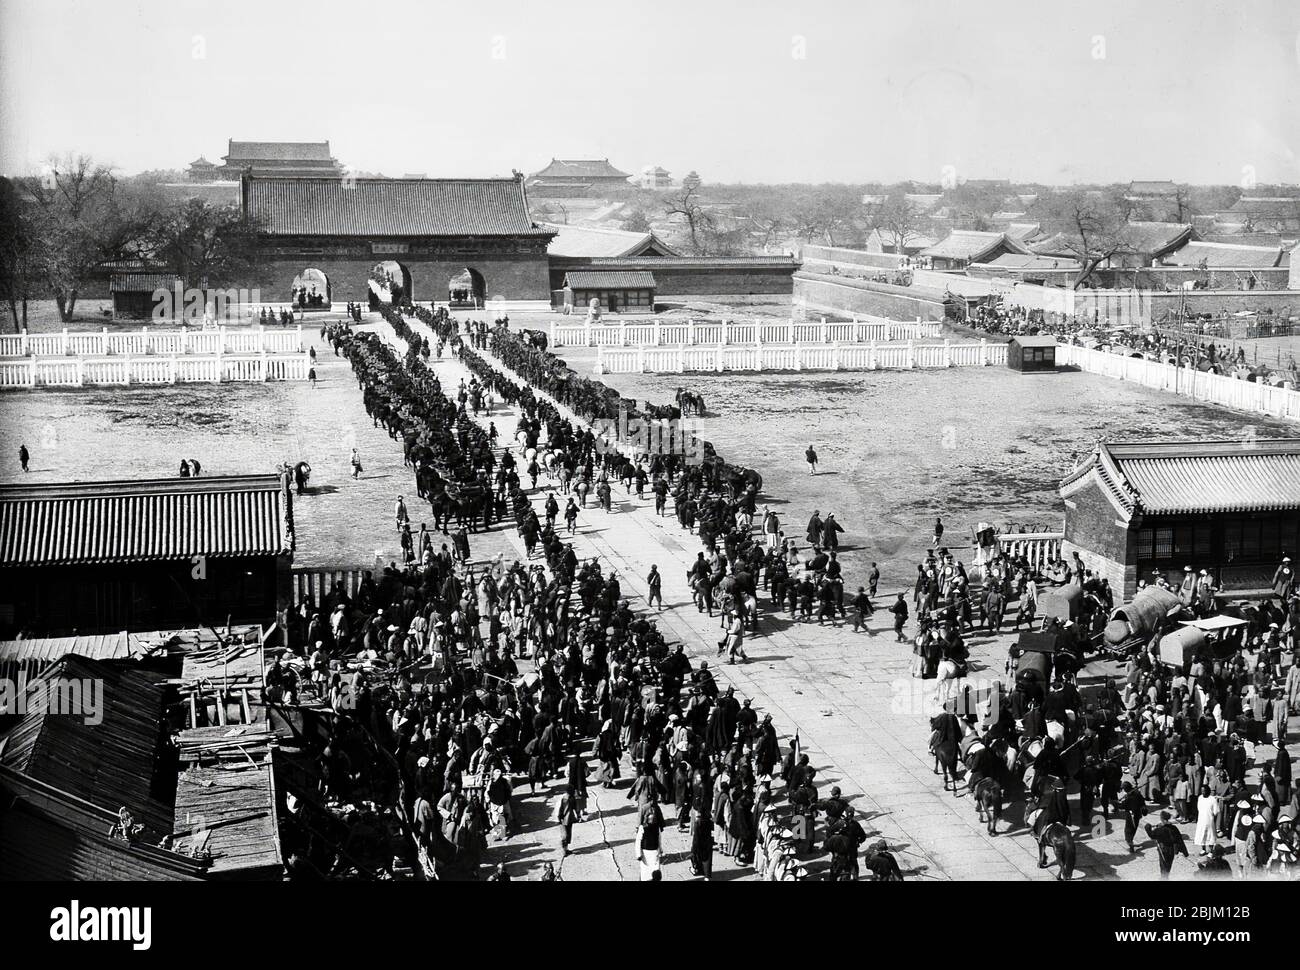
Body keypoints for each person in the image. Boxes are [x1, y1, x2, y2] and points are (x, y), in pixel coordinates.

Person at [1145, 811, 1189, 879]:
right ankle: (1166, 877)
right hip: (1172, 849)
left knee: (1163, 865)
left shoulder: (1160, 830)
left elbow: (1152, 835)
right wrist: (1185, 852)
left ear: (1161, 819)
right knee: (1168, 864)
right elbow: (1179, 840)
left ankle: (1164, 878)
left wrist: (1147, 827)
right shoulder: (1174, 828)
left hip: (1163, 849)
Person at [637, 791, 665, 881]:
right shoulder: (643, 828)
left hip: (654, 851)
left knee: (655, 871)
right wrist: (639, 854)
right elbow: (638, 841)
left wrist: (660, 849)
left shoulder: (656, 827)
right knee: (645, 872)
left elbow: (659, 838)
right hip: (645, 852)